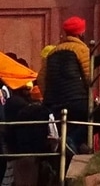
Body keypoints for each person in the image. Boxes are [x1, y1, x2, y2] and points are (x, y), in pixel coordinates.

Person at [39, 17, 92, 152]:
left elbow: (41, 78)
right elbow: (89, 76)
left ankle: (68, 143)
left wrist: (48, 96)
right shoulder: (81, 49)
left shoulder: (52, 52)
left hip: (52, 103)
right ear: (80, 33)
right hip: (76, 100)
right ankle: (72, 139)